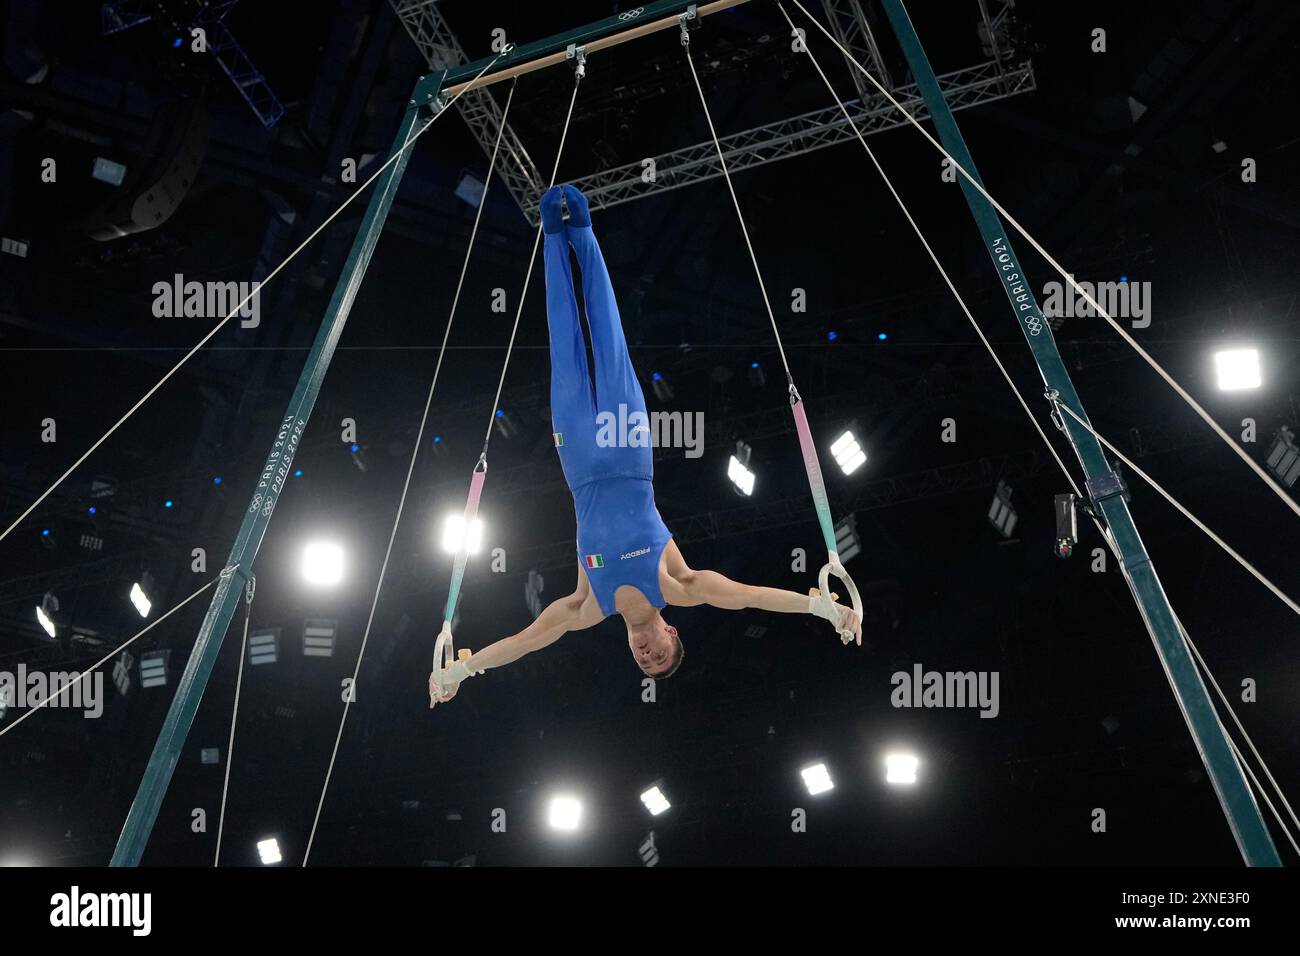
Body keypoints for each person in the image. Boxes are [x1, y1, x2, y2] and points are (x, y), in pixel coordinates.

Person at [430, 185, 859, 706]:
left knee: (564, 343)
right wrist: (822, 609)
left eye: (643, 662)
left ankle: (552, 235)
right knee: (607, 338)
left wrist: (461, 671)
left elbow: (524, 643)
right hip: (629, 453)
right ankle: (582, 232)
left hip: (580, 466)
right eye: (659, 654)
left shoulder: (589, 606)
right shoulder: (677, 586)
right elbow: (748, 598)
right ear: (671, 632)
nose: (648, 655)